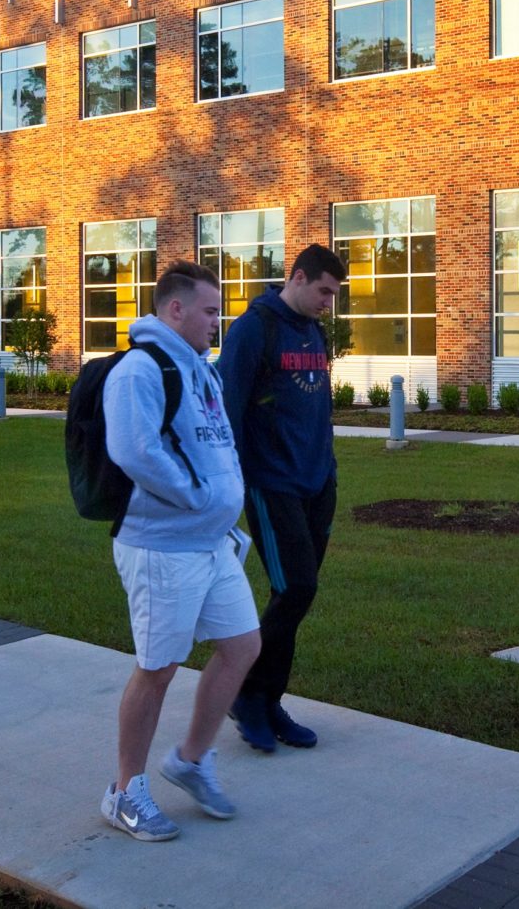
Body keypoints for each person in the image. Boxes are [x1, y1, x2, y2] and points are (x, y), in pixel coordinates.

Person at [101, 261, 259, 842]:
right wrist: (196, 496)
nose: (218, 322)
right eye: (211, 310)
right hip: (162, 546)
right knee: (158, 669)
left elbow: (216, 443)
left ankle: (190, 761)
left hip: (211, 544)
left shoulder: (200, 370)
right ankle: (123, 792)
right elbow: (135, 451)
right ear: (176, 310)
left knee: (242, 645)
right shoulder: (140, 370)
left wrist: (223, 501)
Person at [215, 242, 347, 753]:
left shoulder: (313, 332)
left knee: (293, 596)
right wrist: (234, 483)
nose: (328, 303)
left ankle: (268, 701)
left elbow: (317, 409)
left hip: (317, 483)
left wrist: (328, 469)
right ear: (296, 278)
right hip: (272, 484)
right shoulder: (254, 329)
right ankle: (247, 695)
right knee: (296, 589)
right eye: (323, 291)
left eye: (333, 295)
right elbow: (228, 409)